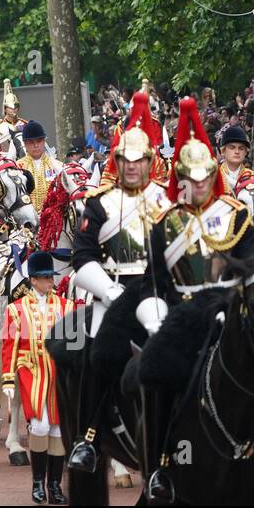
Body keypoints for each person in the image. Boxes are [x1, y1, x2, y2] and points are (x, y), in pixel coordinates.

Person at [136, 97, 254, 504]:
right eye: (191, 178)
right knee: (157, 372)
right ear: (180, 180)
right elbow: (152, 283)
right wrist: (157, 317)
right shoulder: (165, 223)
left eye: (206, 176)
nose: (200, 185)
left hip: (231, 312)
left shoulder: (237, 215)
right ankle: (159, 465)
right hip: (184, 317)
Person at [66, 95, 170, 472]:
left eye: (139, 160)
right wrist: (109, 292)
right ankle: (88, 438)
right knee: (96, 356)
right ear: (116, 161)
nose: (131, 167)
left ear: (150, 162)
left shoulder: (168, 201)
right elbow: (82, 257)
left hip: (157, 289)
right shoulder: (98, 203)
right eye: (125, 160)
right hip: (112, 291)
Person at [2, 251, 74, 504]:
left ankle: (54, 485)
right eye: (44, 278)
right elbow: (10, 346)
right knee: (41, 425)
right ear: (32, 280)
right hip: (31, 370)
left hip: (58, 373)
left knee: (57, 430)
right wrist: (8, 379)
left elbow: (74, 346)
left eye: (50, 278)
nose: (49, 283)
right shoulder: (15, 309)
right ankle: (37, 483)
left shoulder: (66, 306)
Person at [18, 119, 63, 214]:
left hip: (52, 218)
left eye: (39, 141)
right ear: (25, 144)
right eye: (31, 142)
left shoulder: (58, 165)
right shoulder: (17, 167)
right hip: (26, 219)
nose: (36, 145)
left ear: (44, 141)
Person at [216, 123, 254, 195]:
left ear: (245, 152)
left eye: (241, 148)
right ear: (223, 151)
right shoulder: (213, 178)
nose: (237, 152)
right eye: (232, 148)